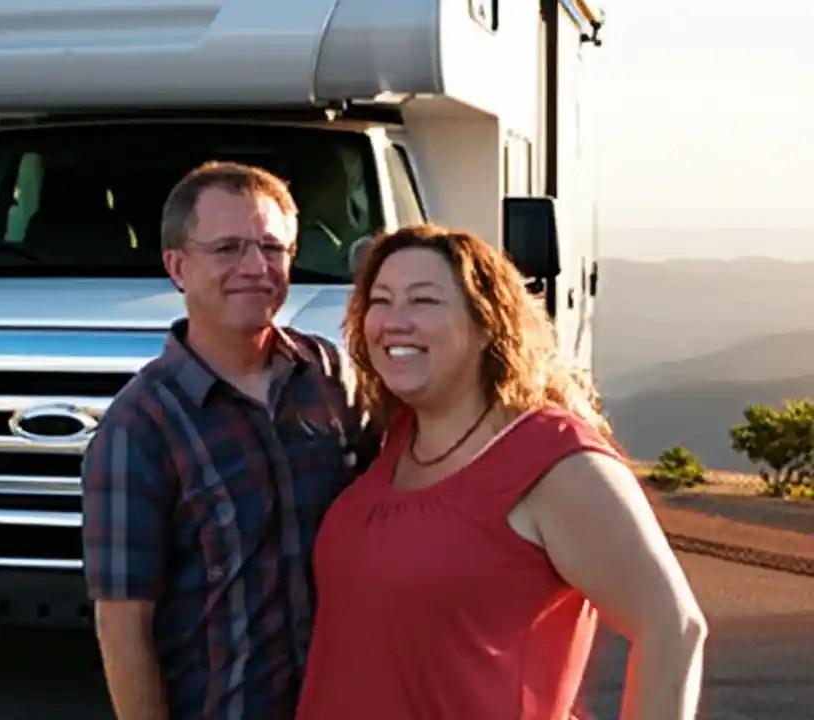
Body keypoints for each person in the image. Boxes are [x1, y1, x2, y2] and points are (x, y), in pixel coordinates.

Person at [295, 224, 708, 720]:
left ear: (487, 325)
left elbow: (673, 626)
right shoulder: (394, 437)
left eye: (424, 301)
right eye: (381, 301)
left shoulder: (553, 458)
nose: (394, 321)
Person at [80, 160, 367, 720]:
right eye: (228, 248)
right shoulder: (140, 426)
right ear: (178, 266)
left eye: (272, 248)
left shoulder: (328, 375)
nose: (256, 267)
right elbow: (122, 623)